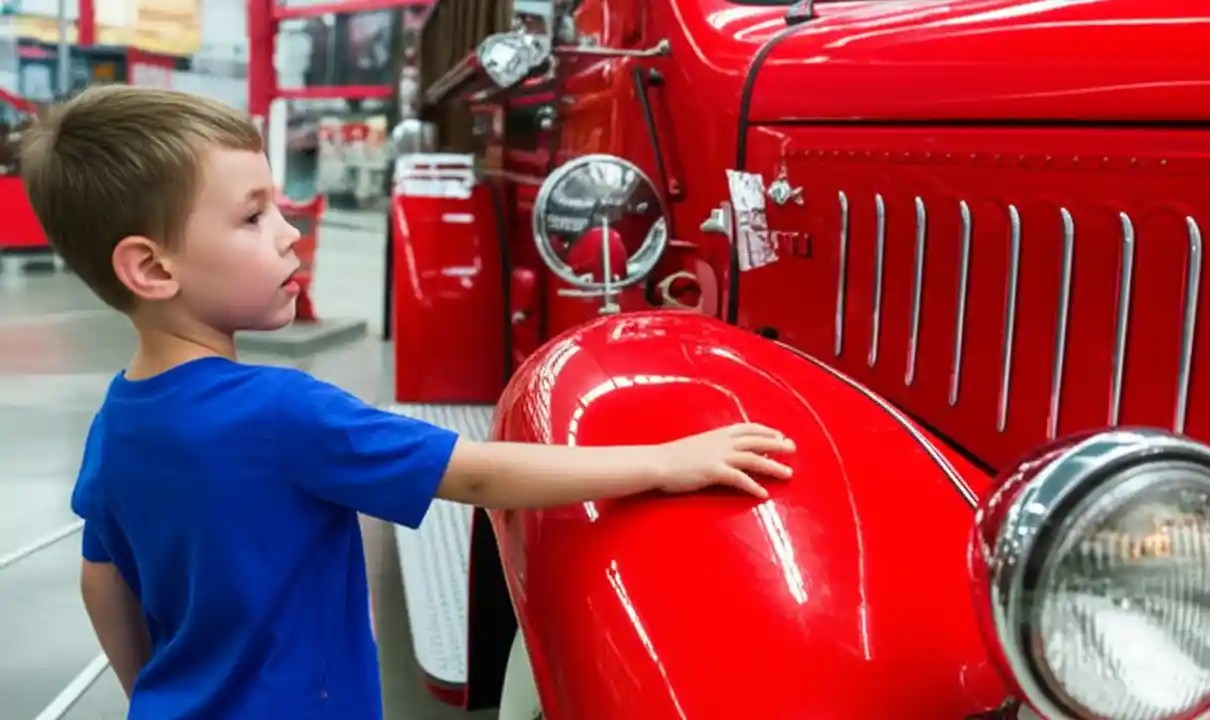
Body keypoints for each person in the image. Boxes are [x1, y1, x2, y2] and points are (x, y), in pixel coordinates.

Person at [18, 85, 795, 719]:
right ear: (151, 270)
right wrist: (663, 461)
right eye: (254, 217)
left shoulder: (117, 418)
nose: (290, 234)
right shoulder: (284, 412)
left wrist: (154, 694)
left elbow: (103, 583)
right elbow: (479, 477)